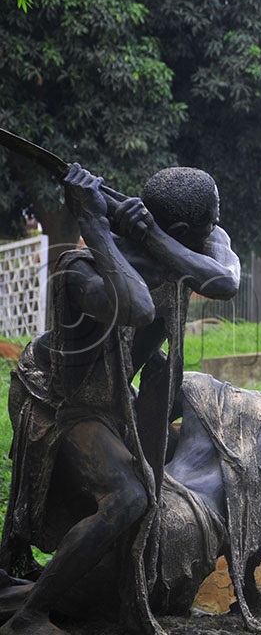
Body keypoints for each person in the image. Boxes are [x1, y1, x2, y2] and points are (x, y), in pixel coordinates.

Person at [0, 164, 240, 635]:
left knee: (163, 472)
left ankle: (109, 592)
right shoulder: (83, 270)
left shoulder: (193, 242)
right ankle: (28, 616)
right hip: (59, 398)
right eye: (213, 220)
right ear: (185, 231)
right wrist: (94, 226)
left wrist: (153, 236)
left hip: (115, 396)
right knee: (127, 496)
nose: (219, 228)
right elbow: (137, 307)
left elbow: (225, 280)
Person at [0, 367, 261, 634]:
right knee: (73, 596)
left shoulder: (202, 387)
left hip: (134, 495)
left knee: (69, 592)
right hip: (182, 542)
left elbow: (138, 419)